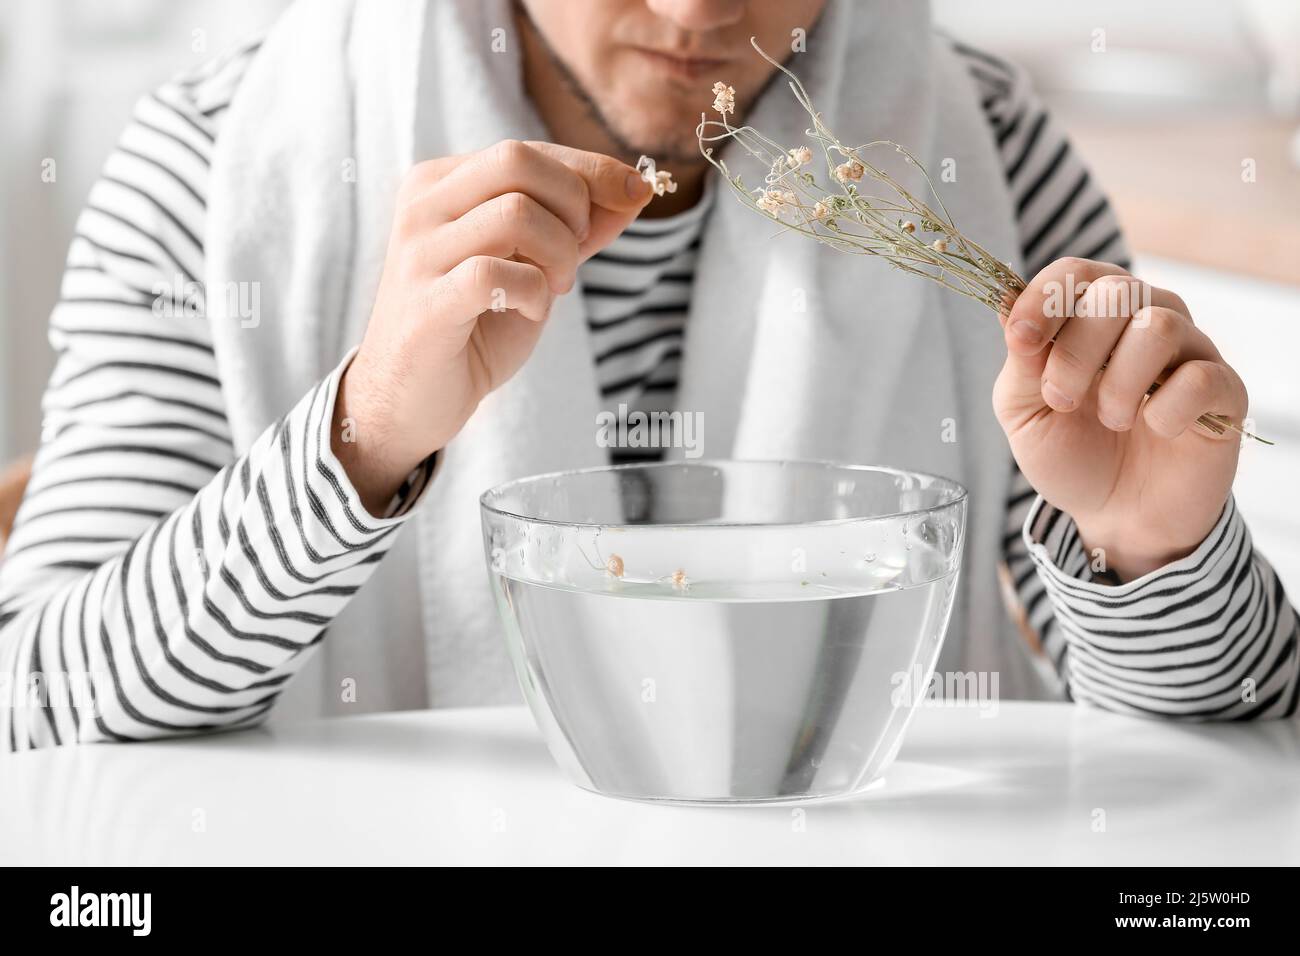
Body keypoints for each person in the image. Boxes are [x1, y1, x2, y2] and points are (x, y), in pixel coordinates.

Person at [0, 0, 1295, 752]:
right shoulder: (222, 168)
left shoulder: (983, 157)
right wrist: (363, 434)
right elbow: (41, 706)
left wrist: (1154, 554)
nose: (691, 17)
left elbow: (1226, 747)